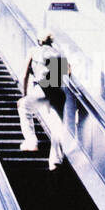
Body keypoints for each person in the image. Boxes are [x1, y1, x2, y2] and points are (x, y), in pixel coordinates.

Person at [18, 32, 70, 170]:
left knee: (23, 106)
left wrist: (24, 94)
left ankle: (31, 141)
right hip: (58, 92)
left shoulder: (34, 51)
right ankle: (55, 161)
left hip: (43, 89)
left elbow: (24, 75)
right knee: (57, 126)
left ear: (39, 40)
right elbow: (67, 71)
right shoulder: (58, 52)